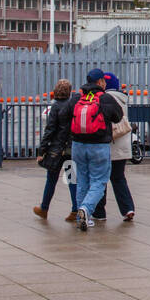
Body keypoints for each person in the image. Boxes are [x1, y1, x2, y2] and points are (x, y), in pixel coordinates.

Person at [52, 68, 123, 231]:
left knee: (82, 180)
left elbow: (63, 115)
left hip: (78, 145)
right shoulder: (105, 98)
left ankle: (81, 215)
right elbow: (118, 117)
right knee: (99, 181)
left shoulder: (77, 97)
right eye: (103, 81)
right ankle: (86, 209)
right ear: (100, 82)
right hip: (99, 146)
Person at [34, 79, 79, 222]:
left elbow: (50, 130)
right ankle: (75, 209)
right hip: (70, 148)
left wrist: (41, 151)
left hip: (56, 149)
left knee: (51, 180)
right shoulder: (73, 106)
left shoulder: (55, 107)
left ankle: (44, 208)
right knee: (72, 179)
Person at [94, 73, 136, 222]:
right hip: (123, 145)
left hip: (107, 143)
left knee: (101, 179)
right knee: (119, 178)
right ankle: (127, 208)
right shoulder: (123, 98)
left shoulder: (103, 98)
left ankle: (99, 212)